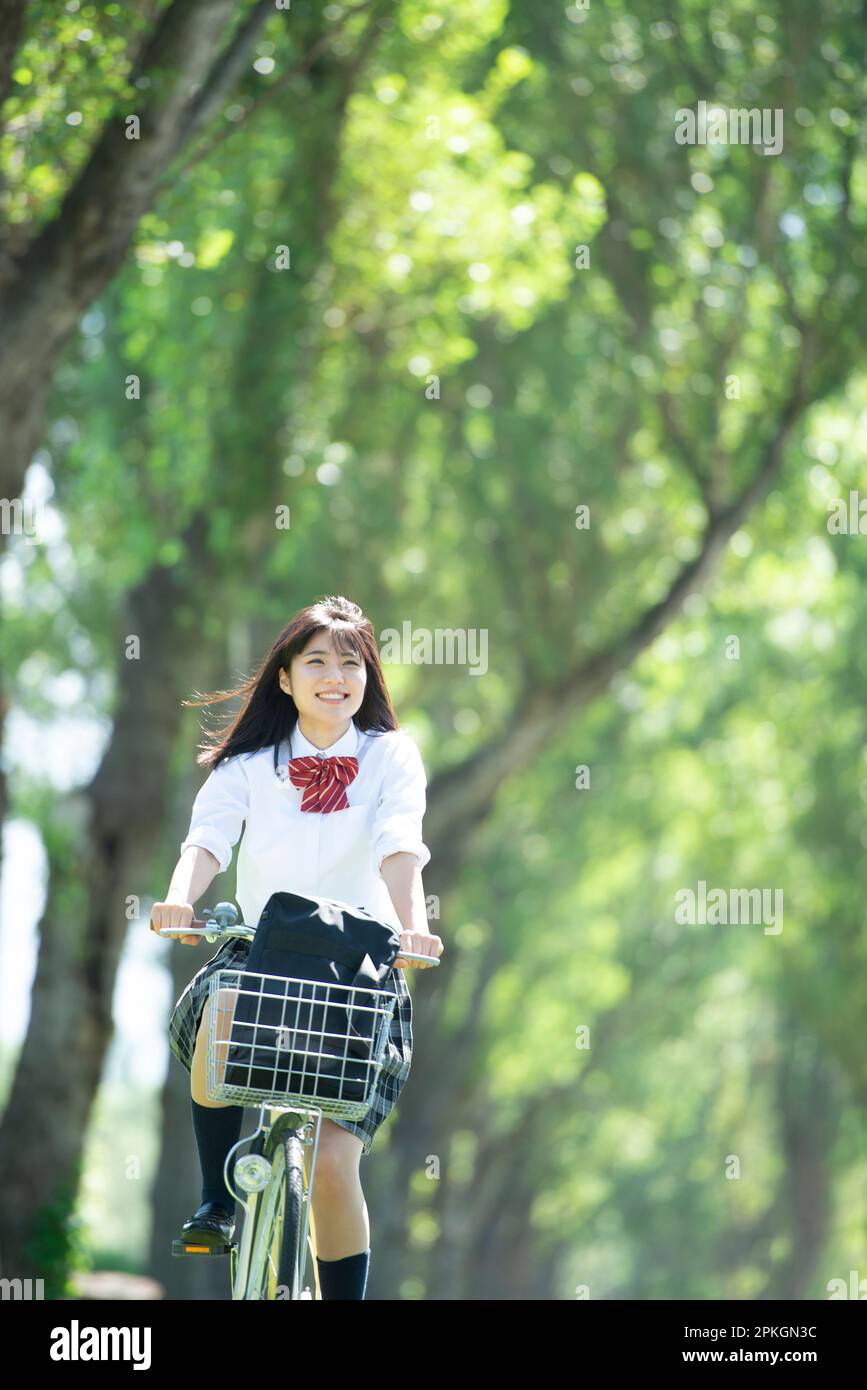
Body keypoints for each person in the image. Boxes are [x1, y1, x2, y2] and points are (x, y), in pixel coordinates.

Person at [149, 594, 444, 1300]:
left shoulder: (389, 756)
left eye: (351, 662)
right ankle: (218, 1199)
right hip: (264, 951)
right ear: (284, 677)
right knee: (219, 1015)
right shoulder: (249, 764)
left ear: (368, 679)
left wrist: (411, 922)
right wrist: (179, 899)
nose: (333, 675)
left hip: (359, 967)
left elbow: (399, 841)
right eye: (315, 661)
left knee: (332, 1166)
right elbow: (209, 838)